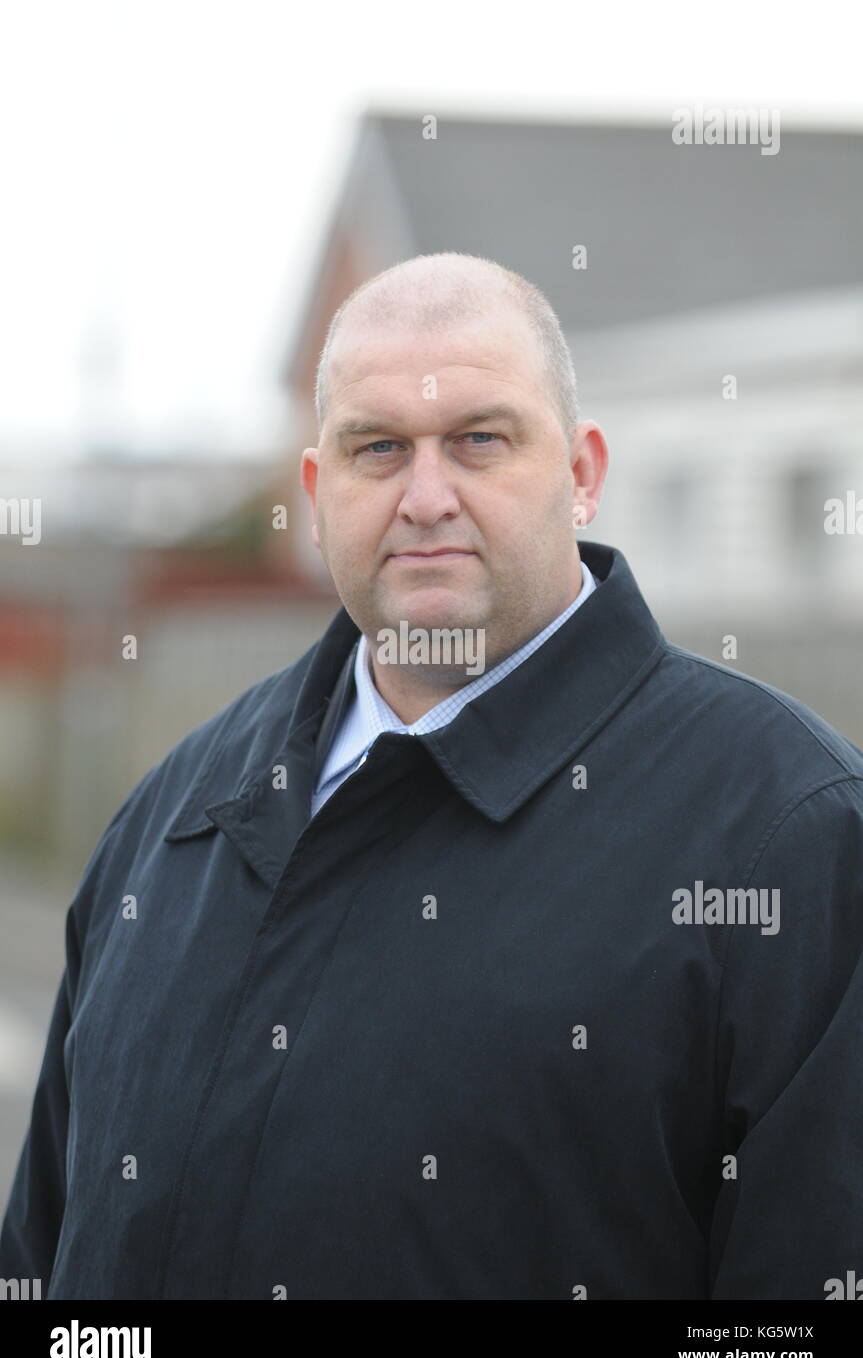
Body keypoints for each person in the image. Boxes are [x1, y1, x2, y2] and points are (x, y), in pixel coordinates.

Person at [2, 252, 861, 1300]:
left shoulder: (789, 838)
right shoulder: (172, 819)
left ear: (583, 473)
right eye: (377, 449)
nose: (423, 497)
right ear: (317, 493)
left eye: (478, 440)